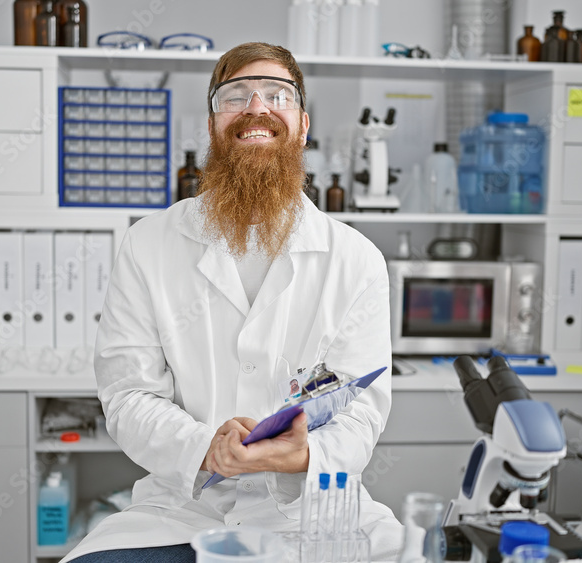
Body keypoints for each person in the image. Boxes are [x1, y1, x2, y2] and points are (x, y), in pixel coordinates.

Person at [62, 42, 402, 563]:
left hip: (312, 515)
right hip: (181, 514)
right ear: (214, 124)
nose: (256, 107)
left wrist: (307, 453)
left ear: (303, 123)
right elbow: (128, 395)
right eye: (235, 96)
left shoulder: (356, 260)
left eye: (277, 95)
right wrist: (205, 448)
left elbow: (362, 412)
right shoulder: (149, 243)